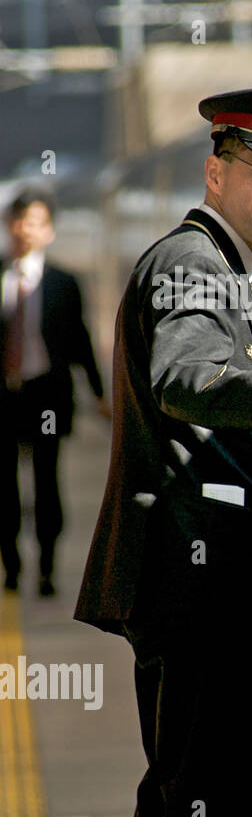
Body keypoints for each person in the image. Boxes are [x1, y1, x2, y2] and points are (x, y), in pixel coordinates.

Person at [74, 88, 252, 817]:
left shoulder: (217, 259)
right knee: (206, 804)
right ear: (214, 172)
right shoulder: (194, 264)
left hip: (195, 585)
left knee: (183, 791)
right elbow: (183, 374)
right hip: (191, 585)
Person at [0, 189, 110, 595]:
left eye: (34, 222)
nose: (23, 230)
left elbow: (79, 342)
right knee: (4, 489)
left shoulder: (64, 283)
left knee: (47, 484)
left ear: (47, 231)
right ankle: (11, 563)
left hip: (46, 397)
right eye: (18, 221)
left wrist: (99, 394)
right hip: (5, 398)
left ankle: (46, 566)